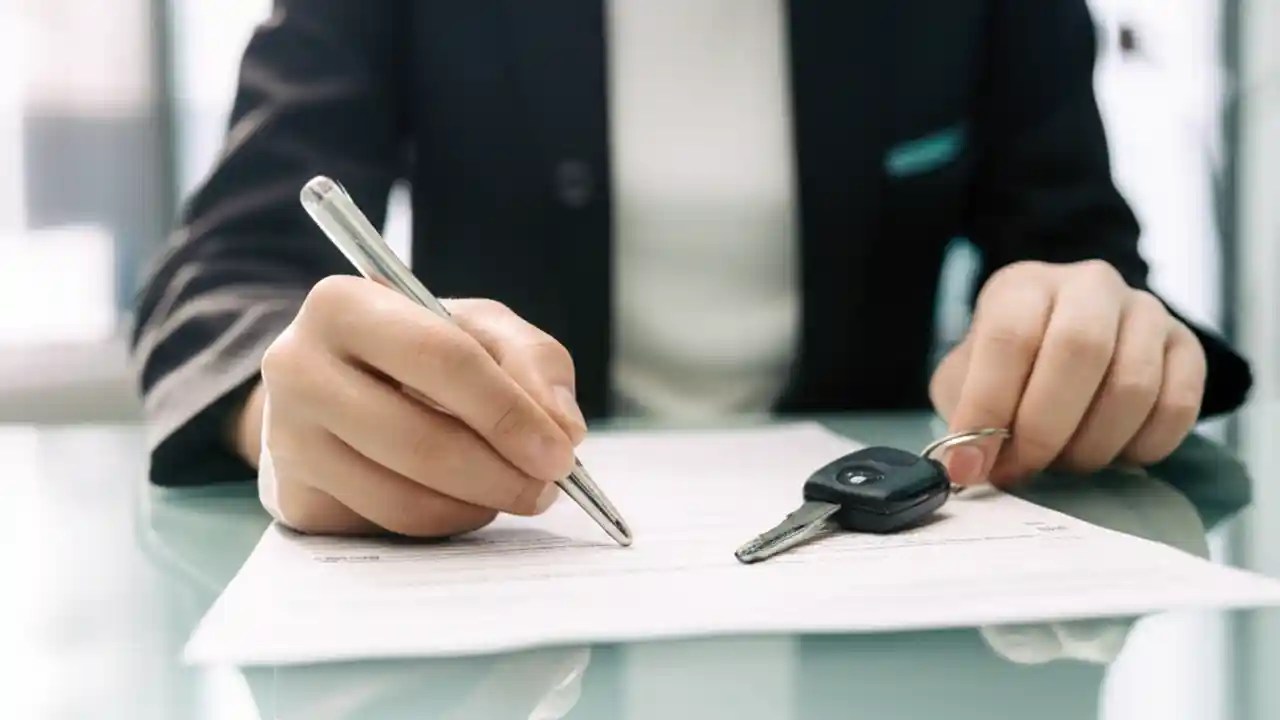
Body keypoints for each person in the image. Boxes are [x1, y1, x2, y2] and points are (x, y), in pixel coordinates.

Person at [132, 0, 1251, 538]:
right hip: (493, 569)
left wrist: (1104, 337)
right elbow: (228, 277)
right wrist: (288, 403)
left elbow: (1085, 261)